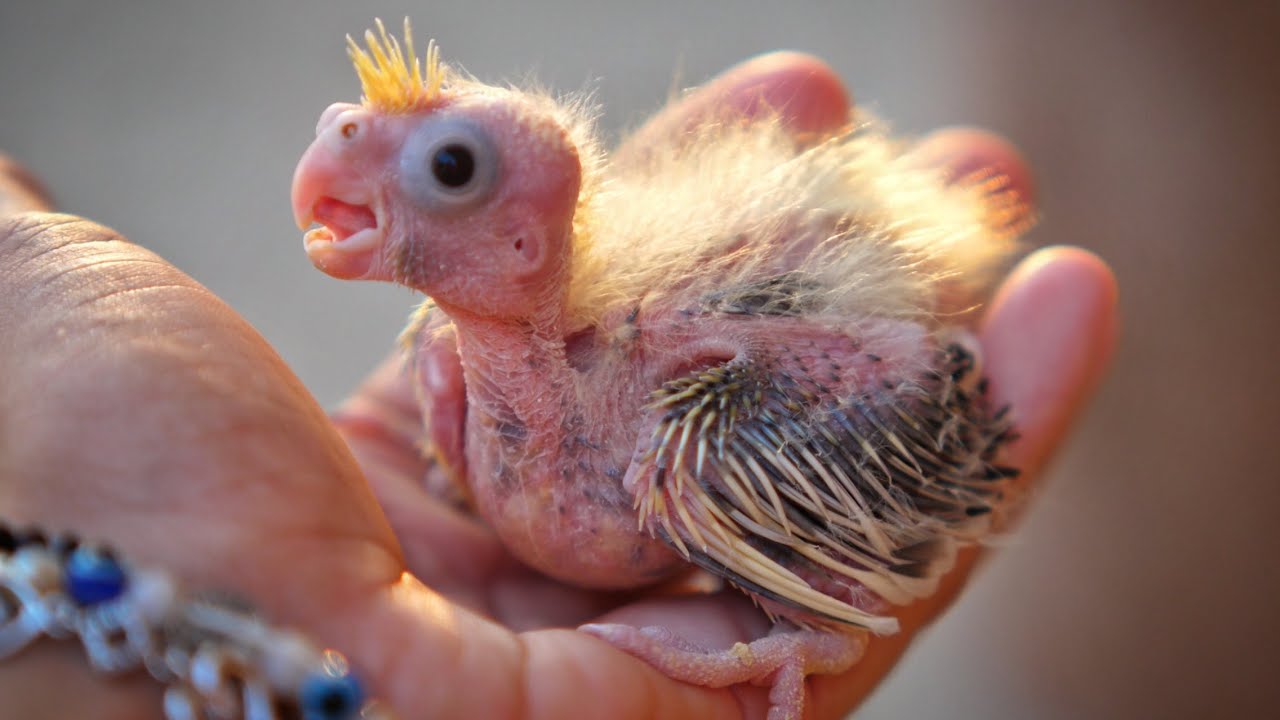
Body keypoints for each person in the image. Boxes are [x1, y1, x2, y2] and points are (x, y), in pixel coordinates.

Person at [0, 53, 1116, 718]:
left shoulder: (694, 435)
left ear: (529, 247)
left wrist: (806, 621)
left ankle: (813, 627)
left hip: (842, 370)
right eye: (345, 132)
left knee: (732, 466)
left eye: (448, 171)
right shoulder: (452, 375)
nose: (336, 154)